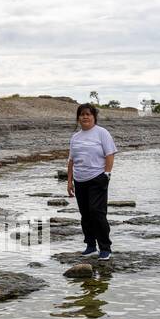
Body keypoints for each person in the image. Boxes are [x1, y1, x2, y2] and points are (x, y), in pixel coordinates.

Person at [66, 103, 116, 260]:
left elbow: (110, 154)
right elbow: (71, 160)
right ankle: (90, 246)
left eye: (88, 114)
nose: (85, 117)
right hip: (79, 180)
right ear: (78, 117)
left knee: (97, 213)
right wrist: (69, 182)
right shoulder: (75, 137)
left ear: (94, 117)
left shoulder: (102, 133)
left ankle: (105, 248)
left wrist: (106, 174)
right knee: (85, 215)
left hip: (97, 178)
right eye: (82, 114)